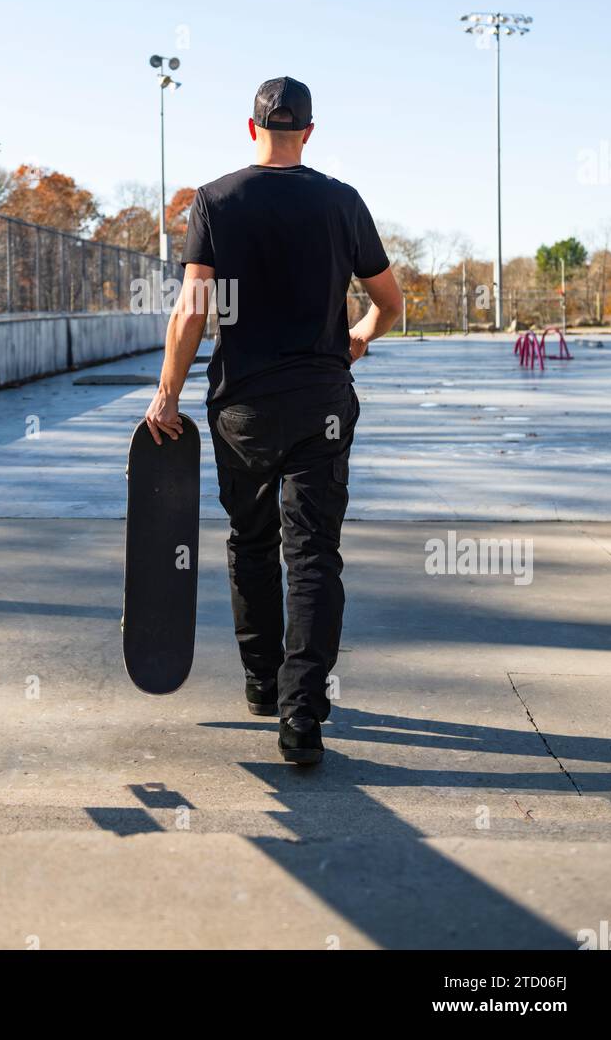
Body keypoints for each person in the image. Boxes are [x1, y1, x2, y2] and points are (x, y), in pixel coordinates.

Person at [145, 76, 402, 764]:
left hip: (243, 409)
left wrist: (166, 393)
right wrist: (358, 337)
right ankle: (301, 713)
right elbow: (389, 301)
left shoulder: (216, 200)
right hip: (320, 403)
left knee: (251, 542)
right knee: (313, 552)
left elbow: (192, 309)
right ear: (310, 132)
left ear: (249, 127)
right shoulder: (342, 202)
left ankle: (262, 683)